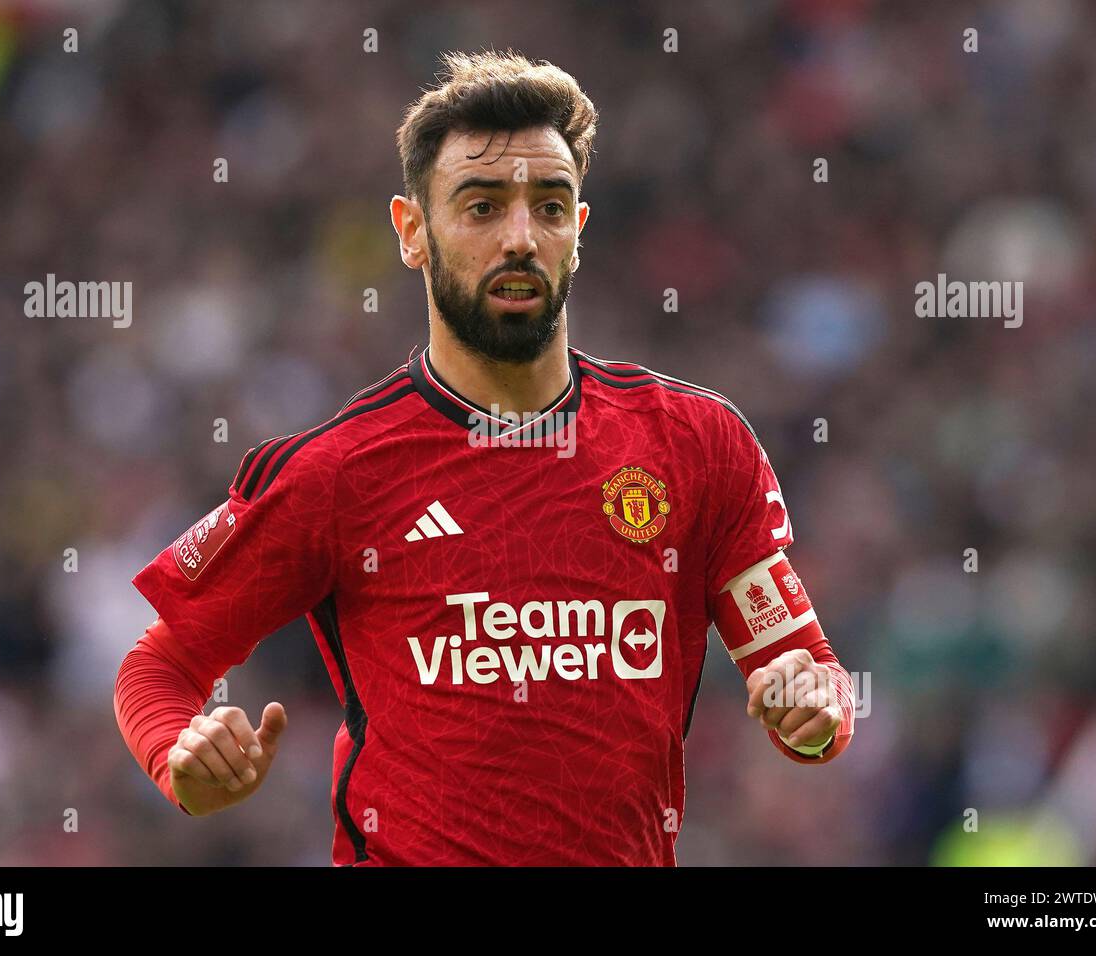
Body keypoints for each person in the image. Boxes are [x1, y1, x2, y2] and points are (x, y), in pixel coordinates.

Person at [114, 49, 855, 866]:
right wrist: (178, 755)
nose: (519, 237)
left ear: (579, 228)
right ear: (411, 233)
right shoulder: (338, 470)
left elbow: (801, 668)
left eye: (548, 205)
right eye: (480, 207)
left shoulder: (698, 446)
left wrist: (814, 712)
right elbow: (160, 664)